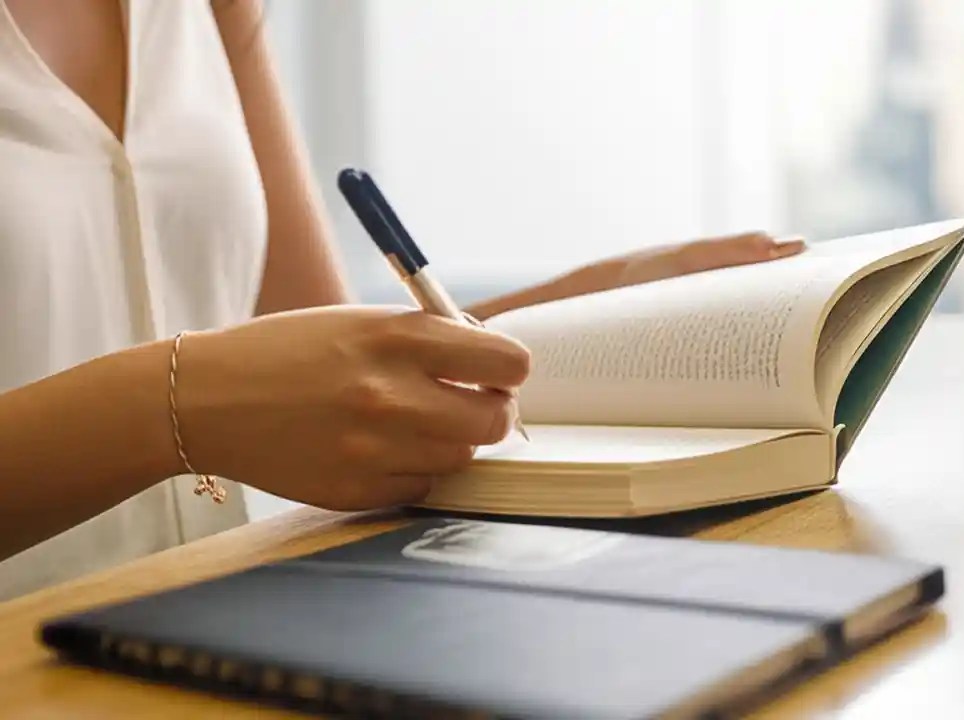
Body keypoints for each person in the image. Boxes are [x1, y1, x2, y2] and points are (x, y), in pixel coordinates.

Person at [0, 0, 806, 601]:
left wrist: (607, 297)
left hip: (221, 613)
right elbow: (231, 385)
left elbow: (334, 364)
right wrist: (170, 404)